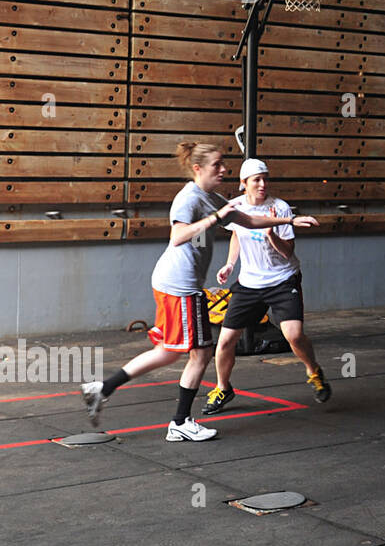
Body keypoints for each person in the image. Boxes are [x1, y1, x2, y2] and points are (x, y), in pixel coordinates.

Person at [80, 143, 318, 440]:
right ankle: (180, 423)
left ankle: (102, 388)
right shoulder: (189, 198)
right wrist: (215, 219)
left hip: (171, 284)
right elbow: (178, 235)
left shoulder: (212, 197)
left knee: (167, 352)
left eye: (224, 164)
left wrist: (289, 220)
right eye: (217, 164)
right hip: (180, 287)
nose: (223, 169)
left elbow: (250, 220)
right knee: (201, 353)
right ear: (198, 168)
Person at [203, 159, 331, 415]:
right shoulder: (236, 207)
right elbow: (237, 234)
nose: (262, 184)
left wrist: (272, 233)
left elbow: (287, 253)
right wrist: (229, 264)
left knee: (293, 335)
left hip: (282, 280)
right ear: (244, 184)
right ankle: (223, 387)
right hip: (249, 284)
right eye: (256, 180)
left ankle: (313, 370)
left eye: (265, 179)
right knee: (226, 341)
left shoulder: (280, 208)